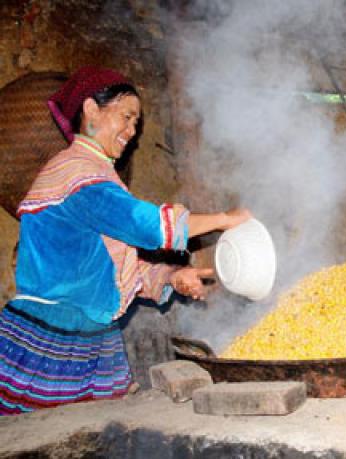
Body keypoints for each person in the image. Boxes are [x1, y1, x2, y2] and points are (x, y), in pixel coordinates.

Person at [0, 66, 251, 415]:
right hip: (52, 340)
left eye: (136, 122)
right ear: (91, 109)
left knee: (89, 431)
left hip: (90, 336)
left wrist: (171, 276)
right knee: (43, 434)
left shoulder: (96, 173)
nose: (132, 131)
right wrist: (226, 220)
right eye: (126, 117)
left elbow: (112, 263)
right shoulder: (78, 173)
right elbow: (146, 226)